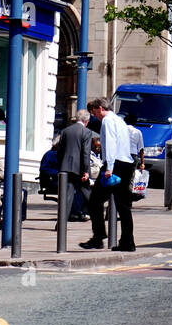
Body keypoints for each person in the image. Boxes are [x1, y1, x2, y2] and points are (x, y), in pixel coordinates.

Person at [81, 97, 136, 252]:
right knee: (124, 206)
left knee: (94, 201)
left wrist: (109, 168)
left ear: (99, 108)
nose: (94, 116)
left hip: (114, 165)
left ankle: (98, 238)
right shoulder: (119, 120)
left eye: (94, 113)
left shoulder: (107, 121)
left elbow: (110, 144)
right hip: (126, 164)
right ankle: (128, 242)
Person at [55, 110, 92, 224]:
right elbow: (86, 153)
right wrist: (86, 171)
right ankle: (96, 216)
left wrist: (61, 165)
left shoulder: (66, 131)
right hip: (79, 169)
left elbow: (60, 150)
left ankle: (60, 223)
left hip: (65, 168)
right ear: (87, 121)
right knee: (89, 193)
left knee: (67, 196)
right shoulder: (86, 132)